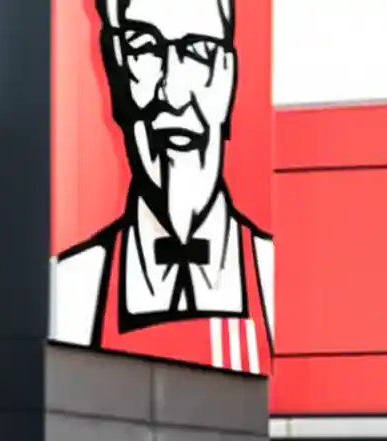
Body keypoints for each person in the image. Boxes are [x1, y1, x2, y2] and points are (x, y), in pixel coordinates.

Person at [52, 0, 274, 374]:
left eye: (198, 51)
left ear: (226, 76)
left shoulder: (271, 276)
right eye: (146, 47)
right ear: (117, 70)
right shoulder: (73, 286)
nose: (173, 93)